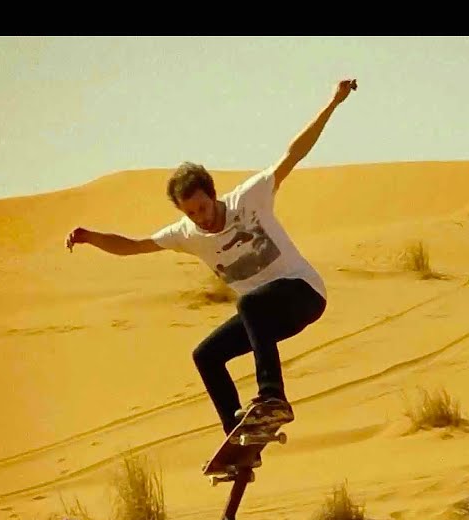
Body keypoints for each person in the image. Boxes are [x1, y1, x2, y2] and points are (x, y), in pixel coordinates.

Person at [66, 79, 357, 445]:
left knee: (248, 302)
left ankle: (273, 397)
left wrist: (333, 102)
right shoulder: (185, 234)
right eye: (191, 213)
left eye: (202, 207)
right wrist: (91, 237)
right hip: (266, 318)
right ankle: (237, 437)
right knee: (206, 355)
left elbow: (293, 154)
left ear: (213, 194)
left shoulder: (248, 199)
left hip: (304, 294)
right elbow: (134, 246)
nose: (201, 218)